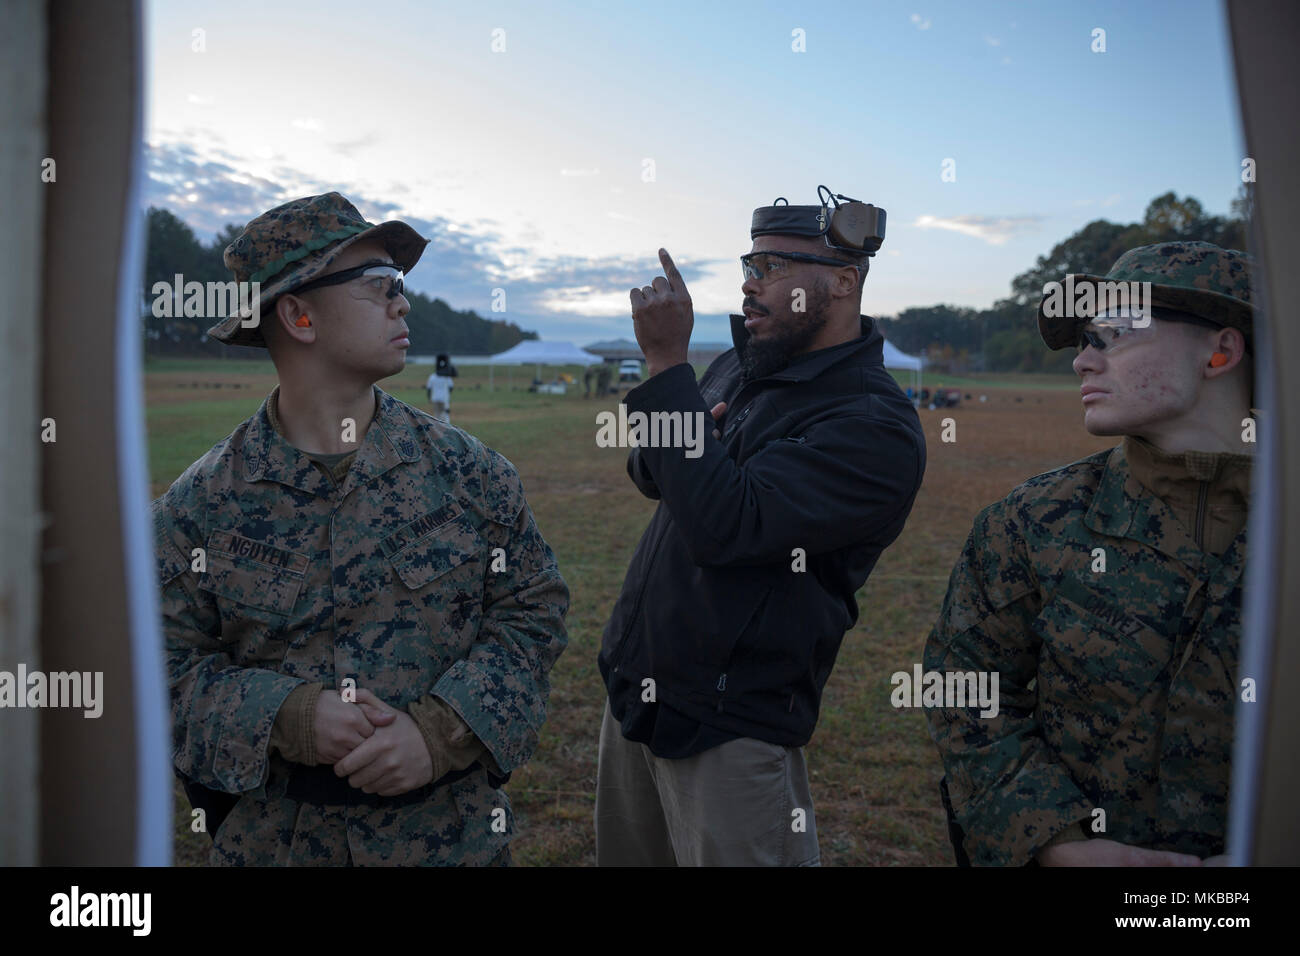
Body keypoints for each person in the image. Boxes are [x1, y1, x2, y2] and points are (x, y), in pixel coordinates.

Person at [153, 192, 569, 866]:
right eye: (380, 286)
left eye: (400, 286)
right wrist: (286, 715)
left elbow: (534, 617)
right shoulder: (199, 507)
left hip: (452, 844)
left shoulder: (471, 475)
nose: (402, 303)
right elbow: (157, 670)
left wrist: (441, 733)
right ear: (299, 313)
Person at [595, 189, 927, 865]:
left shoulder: (872, 423)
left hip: (730, 726)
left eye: (773, 266)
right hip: (639, 693)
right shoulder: (744, 365)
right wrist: (687, 426)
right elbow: (649, 475)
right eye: (749, 263)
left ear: (841, 281)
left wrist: (666, 369)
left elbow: (727, 529)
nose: (750, 283)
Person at [924, 241, 1255, 867]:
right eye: (1085, 339)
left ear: (1221, 352)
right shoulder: (1030, 521)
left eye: (1114, 335)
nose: (1082, 361)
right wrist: (1056, 845)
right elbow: (963, 687)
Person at [425, 352, 456, 423]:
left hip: (435, 398)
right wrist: (448, 394)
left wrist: (429, 398)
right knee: (445, 415)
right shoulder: (447, 377)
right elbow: (451, 387)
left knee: (437, 415)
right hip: (444, 398)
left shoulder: (432, 376)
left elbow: (429, 389)